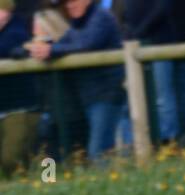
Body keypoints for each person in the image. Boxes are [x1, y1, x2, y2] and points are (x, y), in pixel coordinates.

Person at [28, 0, 126, 159]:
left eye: (73, 1)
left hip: (106, 94)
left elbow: (86, 44)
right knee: (89, 151)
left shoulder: (101, 17)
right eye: (67, 3)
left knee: (98, 150)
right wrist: (32, 50)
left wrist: (51, 50)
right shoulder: (78, 23)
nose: (69, 5)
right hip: (86, 98)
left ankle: (111, 180)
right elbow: (65, 43)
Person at [121, 0, 185, 142]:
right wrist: (135, 36)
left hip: (184, 49)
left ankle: (180, 140)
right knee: (165, 99)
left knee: (183, 97)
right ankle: (170, 142)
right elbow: (127, 16)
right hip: (158, 46)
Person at [0, 0, 39, 175]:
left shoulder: (17, 30)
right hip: (5, 106)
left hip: (20, 107)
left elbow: (9, 45)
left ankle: (47, 180)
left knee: (11, 159)